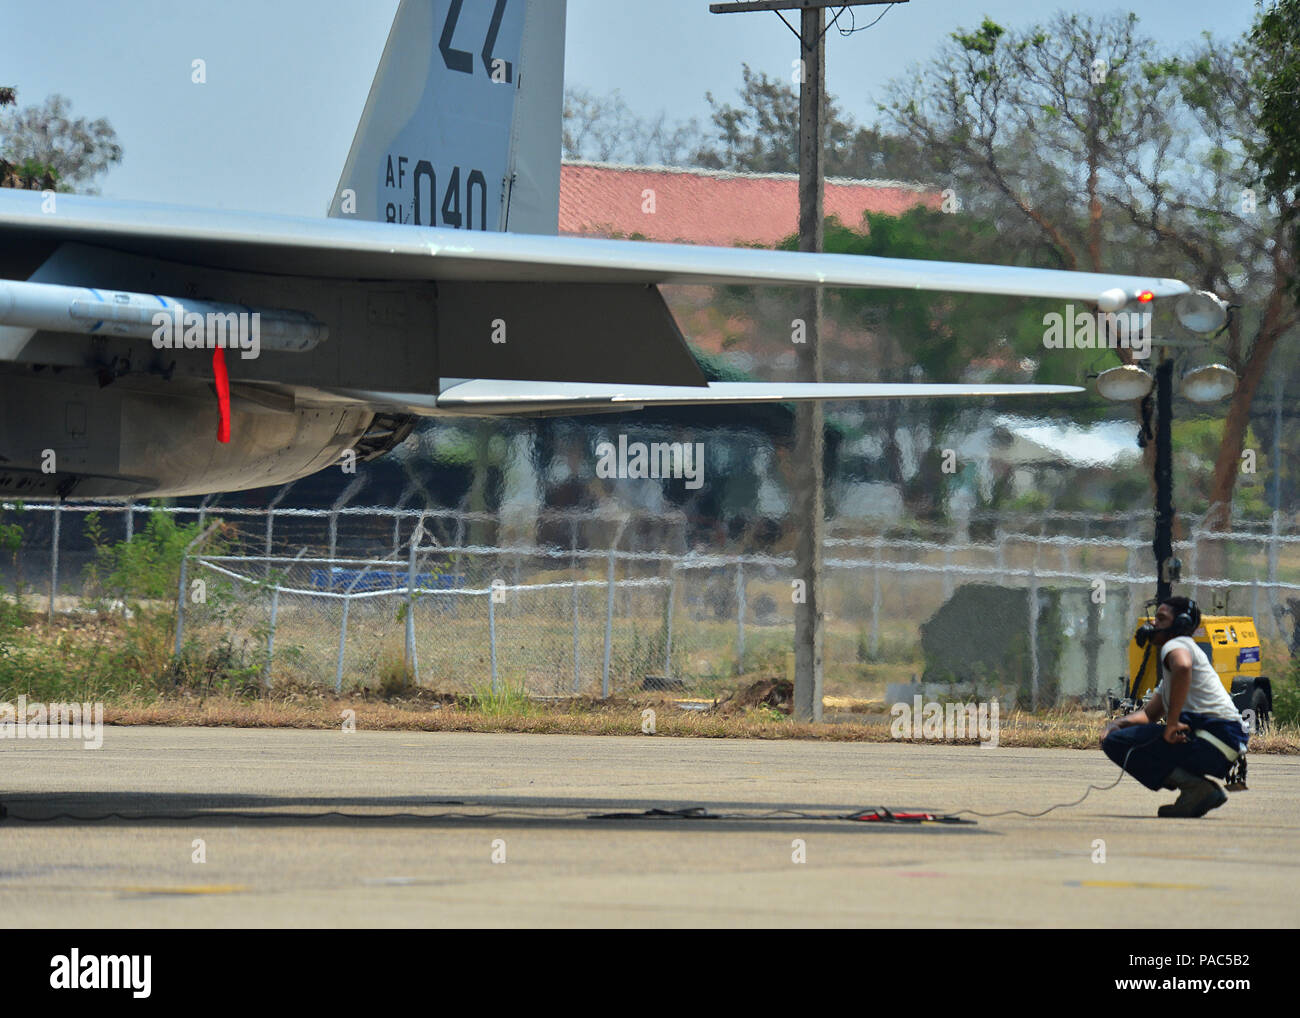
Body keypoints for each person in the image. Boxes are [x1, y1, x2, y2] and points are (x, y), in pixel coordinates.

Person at [1100, 596, 1249, 817]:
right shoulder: (1181, 659)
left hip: (1213, 739)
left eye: (1161, 618)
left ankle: (1195, 789)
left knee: (1118, 743)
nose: (1153, 624)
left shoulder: (1176, 644)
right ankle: (1195, 790)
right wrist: (1115, 725)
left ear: (1180, 623)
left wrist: (1171, 724)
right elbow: (1150, 714)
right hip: (1223, 745)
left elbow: (1182, 666)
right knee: (1118, 736)